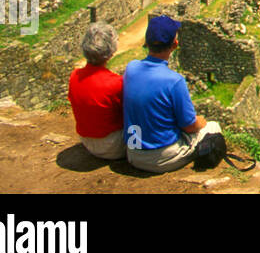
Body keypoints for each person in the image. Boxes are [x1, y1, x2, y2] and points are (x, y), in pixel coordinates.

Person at [123, 16, 221, 174]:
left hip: (133, 152)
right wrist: (201, 122)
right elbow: (189, 126)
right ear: (175, 45)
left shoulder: (131, 68)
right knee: (213, 127)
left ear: (146, 42)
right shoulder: (174, 81)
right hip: (160, 159)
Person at [67, 22, 125, 160]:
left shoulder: (75, 76)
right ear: (111, 51)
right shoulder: (115, 83)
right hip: (113, 146)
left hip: (87, 142)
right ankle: (137, 153)